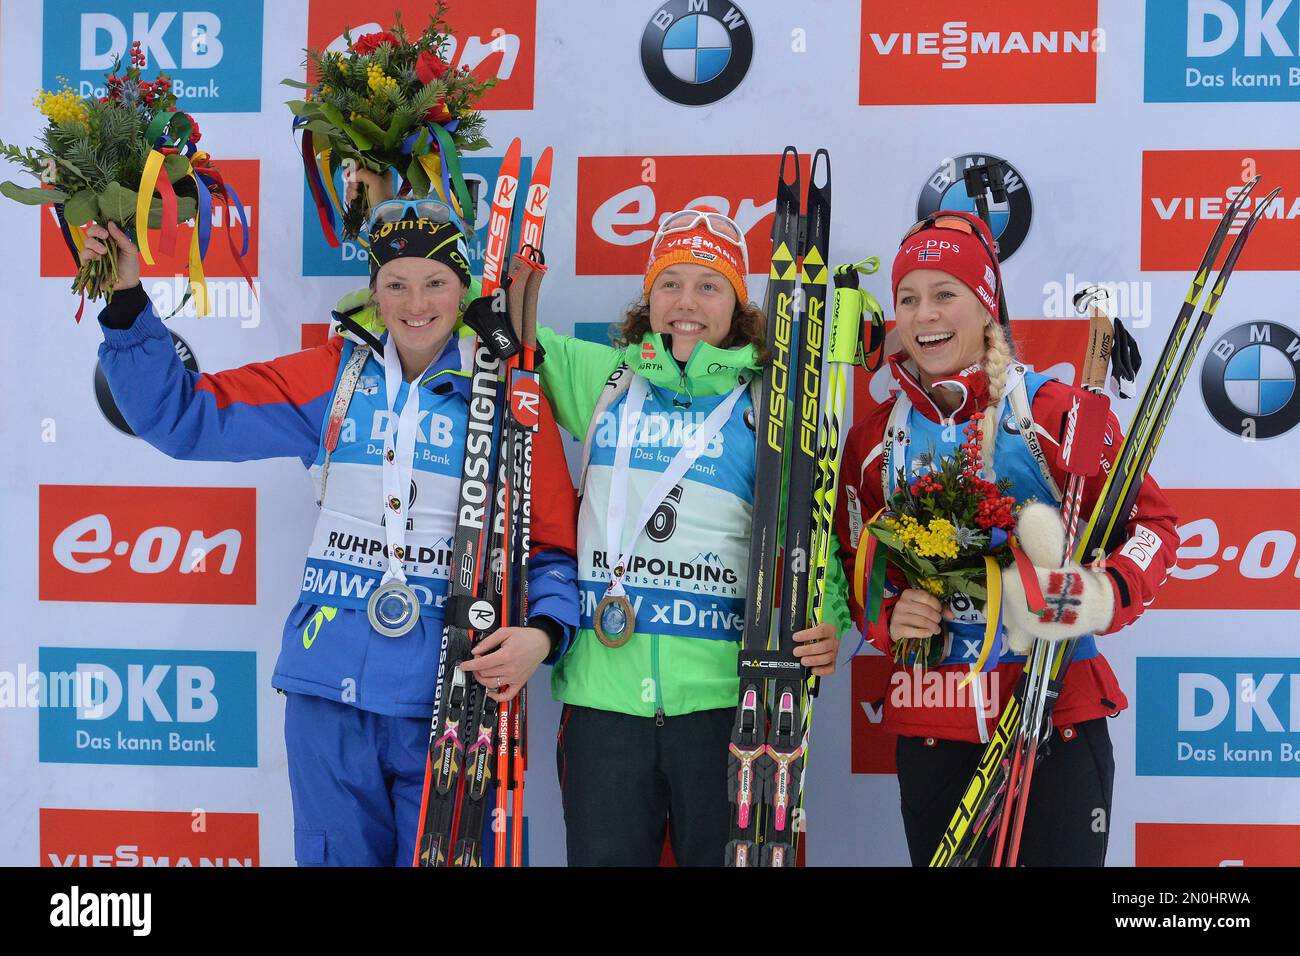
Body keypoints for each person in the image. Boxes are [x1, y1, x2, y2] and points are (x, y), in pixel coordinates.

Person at [81, 201, 579, 867]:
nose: (416, 303)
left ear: (464, 289)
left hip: (454, 691)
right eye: (395, 283)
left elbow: (548, 542)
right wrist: (123, 302)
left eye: (434, 282)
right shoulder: (330, 377)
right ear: (373, 291)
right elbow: (185, 417)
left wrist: (542, 635)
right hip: (330, 690)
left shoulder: (514, 393)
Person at [833, 211, 1179, 866]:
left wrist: (1100, 592)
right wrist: (887, 617)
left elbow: (1153, 526)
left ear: (985, 306)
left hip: (1055, 716)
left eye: (945, 294)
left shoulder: (1049, 412)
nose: (923, 314)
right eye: (908, 297)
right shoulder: (875, 441)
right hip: (935, 724)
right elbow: (860, 560)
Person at [533, 206, 851, 866]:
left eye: (708, 286)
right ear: (648, 297)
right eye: (669, 283)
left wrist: (826, 619)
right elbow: (485, 324)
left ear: (738, 305)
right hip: (603, 702)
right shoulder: (602, 378)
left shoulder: (769, 400)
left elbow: (808, 527)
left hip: (726, 705)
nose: (686, 303)